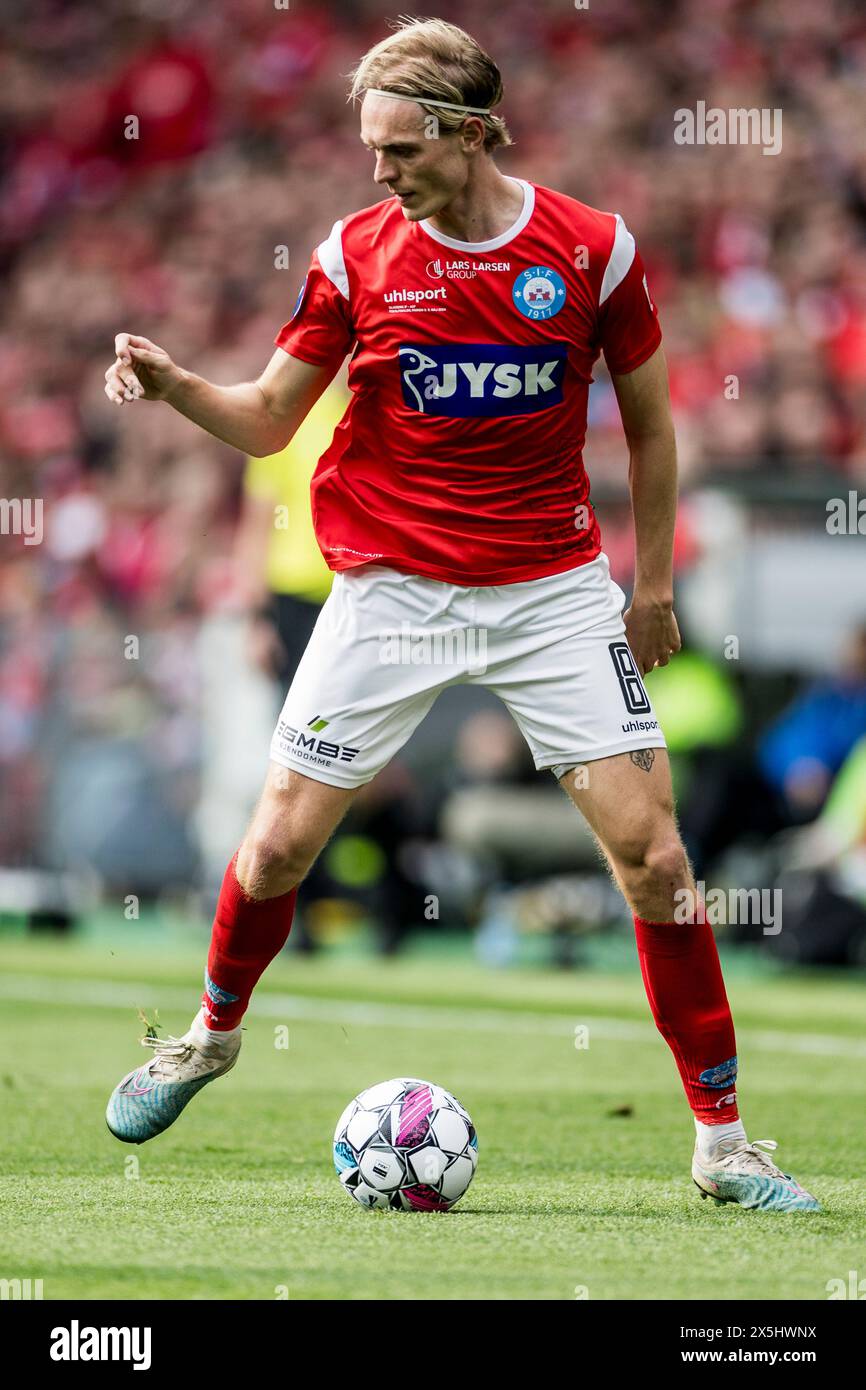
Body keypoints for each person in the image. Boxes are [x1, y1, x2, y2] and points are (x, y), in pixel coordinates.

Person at [103, 18, 818, 1212]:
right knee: (277, 842)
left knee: (654, 857)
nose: (378, 172)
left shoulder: (592, 249)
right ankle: (208, 1036)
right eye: (369, 150)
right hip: (390, 587)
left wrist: (649, 586)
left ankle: (722, 1142)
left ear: (470, 129)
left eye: (397, 149)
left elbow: (649, 425)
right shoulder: (352, 254)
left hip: (549, 589)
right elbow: (275, 418)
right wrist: (180, 387)